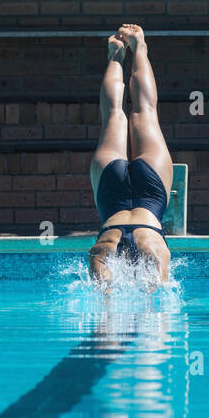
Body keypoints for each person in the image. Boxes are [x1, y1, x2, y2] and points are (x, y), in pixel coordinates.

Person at [87, 23, 173, 285]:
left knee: (145, 111)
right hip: (111, 201)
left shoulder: (147, 249)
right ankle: (116, 54)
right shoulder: (107, 250)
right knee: (114, 113)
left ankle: (137, 49)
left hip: (149, 202)